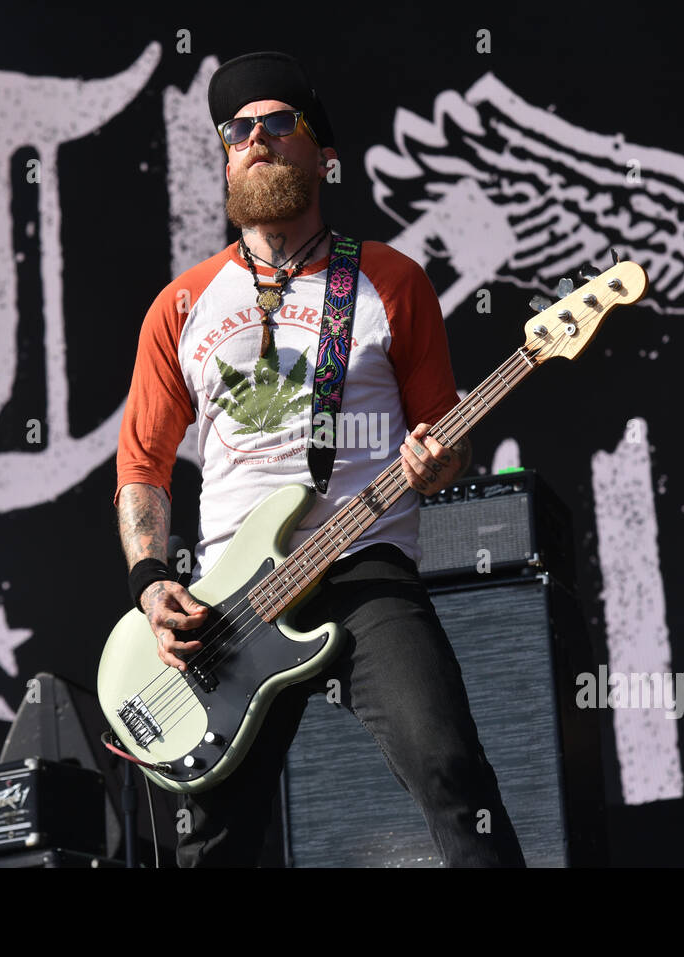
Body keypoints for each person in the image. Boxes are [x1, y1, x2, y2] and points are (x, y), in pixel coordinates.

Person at [114, 51, 525, 867]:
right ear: (226, 157)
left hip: (364, 564)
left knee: (452, 770)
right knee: (211, 839)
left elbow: (449, 444)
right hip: (231, 598)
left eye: (278, 124)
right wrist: (152, 580)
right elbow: (142, 468)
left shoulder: (389, 281)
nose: (256, 140)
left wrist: (434, 459)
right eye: (238, 130)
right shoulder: (182, 305)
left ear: (323, 154)